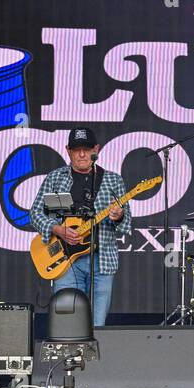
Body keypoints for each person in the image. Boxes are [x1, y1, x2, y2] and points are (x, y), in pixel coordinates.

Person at [30, 127, 131, 327]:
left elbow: (126, 224)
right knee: (68, 321)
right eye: (77, 149)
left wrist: (119, 215)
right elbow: (35, 213)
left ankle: (93, 359)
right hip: (65, 260)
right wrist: (57, 229)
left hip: (102, 260)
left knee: (97, 324)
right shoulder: (55, 178)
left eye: (87, 149)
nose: (82, 154)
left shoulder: (113, 180)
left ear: (96, 149)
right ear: (68, 150)